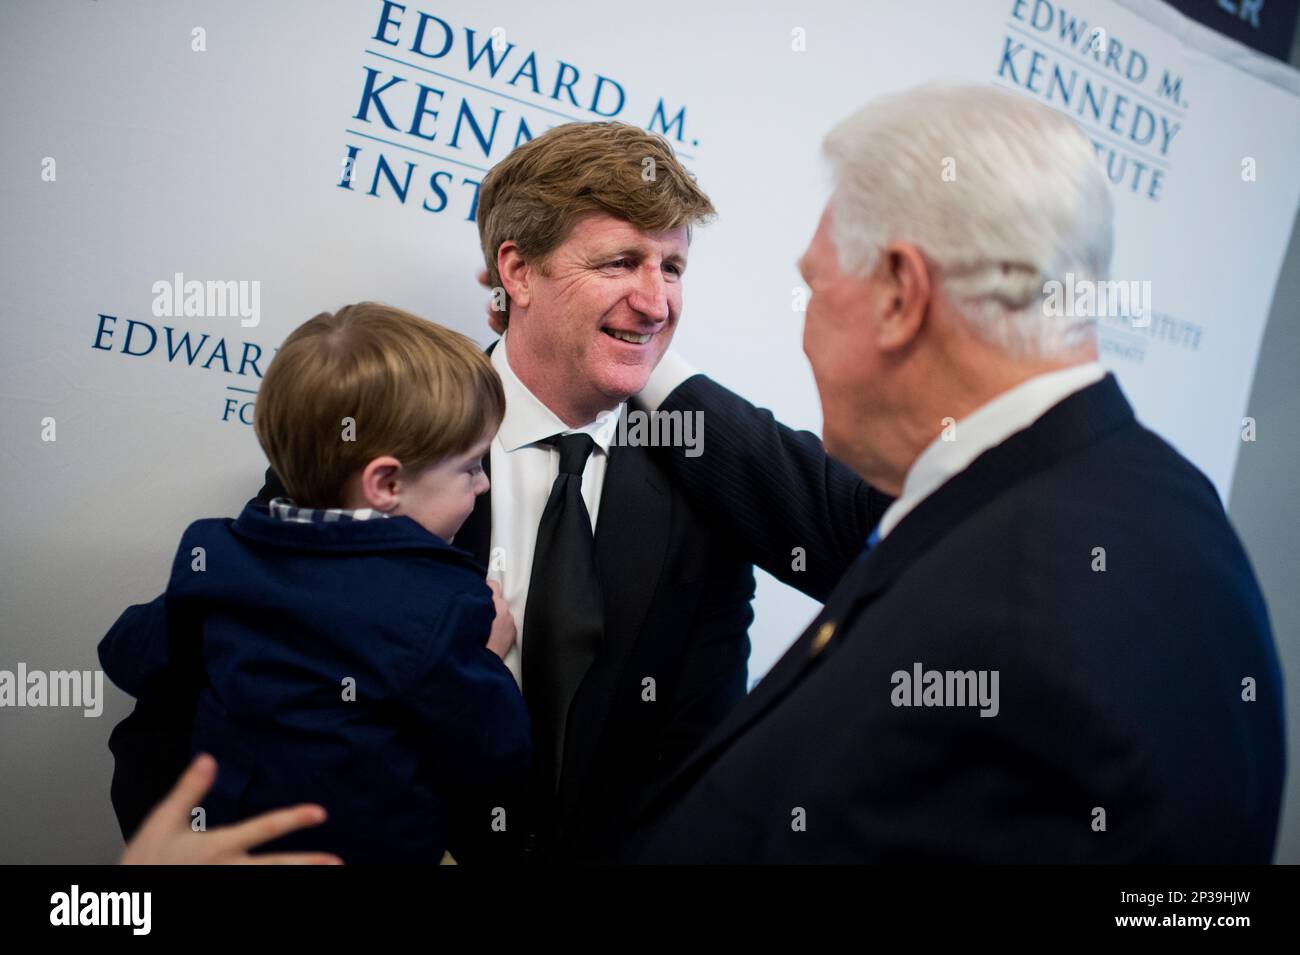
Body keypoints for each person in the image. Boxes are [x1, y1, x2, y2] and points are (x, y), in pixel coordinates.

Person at [630, 84, 1286, 862]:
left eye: (814, 286)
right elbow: (853, 521)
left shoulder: (1009, 627)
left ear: (903, 295)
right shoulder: (1149, 500)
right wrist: (640, 370)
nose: (805, 326)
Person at [99, 304, 531, 863]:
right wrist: (491, 659)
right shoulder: (443, 605)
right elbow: (495, 752)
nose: (481, 486)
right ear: (386, 482)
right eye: (471, 467)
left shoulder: (219, 558)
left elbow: (128, 656)